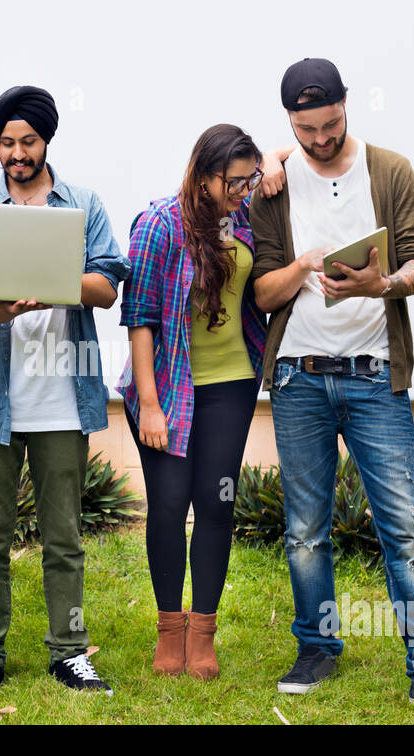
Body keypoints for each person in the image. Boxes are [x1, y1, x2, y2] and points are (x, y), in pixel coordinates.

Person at [250, 58, 414, 722]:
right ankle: (316, 648)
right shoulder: (272, 185)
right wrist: (304, 264)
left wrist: (377, 284)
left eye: (330, 125)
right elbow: (262, 290)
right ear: (289, 124)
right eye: (305, 131)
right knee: (304, 530)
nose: (321, 140)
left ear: (347, 104)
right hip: (298, 374)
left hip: (374, 375)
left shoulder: (390, 170)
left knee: (405, 530)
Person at [0, 86, 129, 704]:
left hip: (61, 397)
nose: (16, 153)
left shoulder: (83, 205)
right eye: (6, 143)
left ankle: (69, 653)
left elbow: (106, 286)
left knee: (63, 537)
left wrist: (50, 288)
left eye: (26, 141)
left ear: (46, 140)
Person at [117, 124, 267, 680]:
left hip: (232, 381)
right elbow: (140, 318)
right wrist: (150, 405)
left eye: (250, 180)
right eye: (233, 181)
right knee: (170, 503)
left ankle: (203, 631)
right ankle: (169, 629)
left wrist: (262, 170)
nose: (243, 191)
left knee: (217, 502)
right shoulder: (158, 224)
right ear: (203, 177)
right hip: (170, 385)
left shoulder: (244, 218)